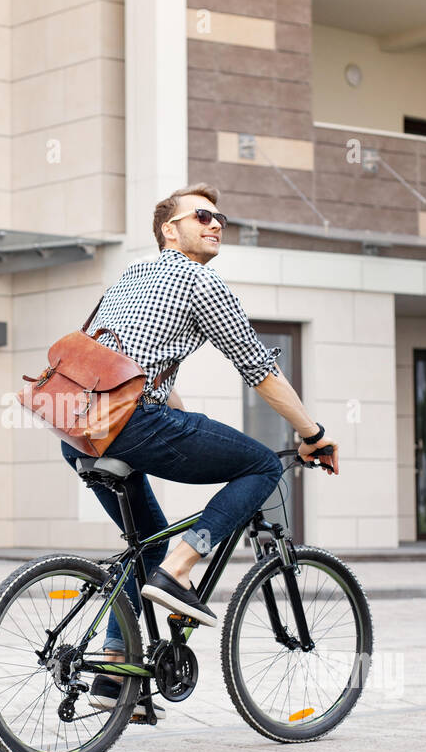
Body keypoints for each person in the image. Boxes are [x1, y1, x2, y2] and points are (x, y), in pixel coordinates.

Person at [61, 183, 341, 719]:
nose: (217, 224)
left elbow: (140, 370)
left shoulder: (132, 275)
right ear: (172, 229)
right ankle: (181, 567)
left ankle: (113, 681)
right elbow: (259, 368)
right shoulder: (198, 279)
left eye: (222, 219)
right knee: (260, 464)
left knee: (142, 545)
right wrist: (312, 433)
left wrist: (179, 416)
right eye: (204, 216)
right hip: (131, 424)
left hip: (79, 431)